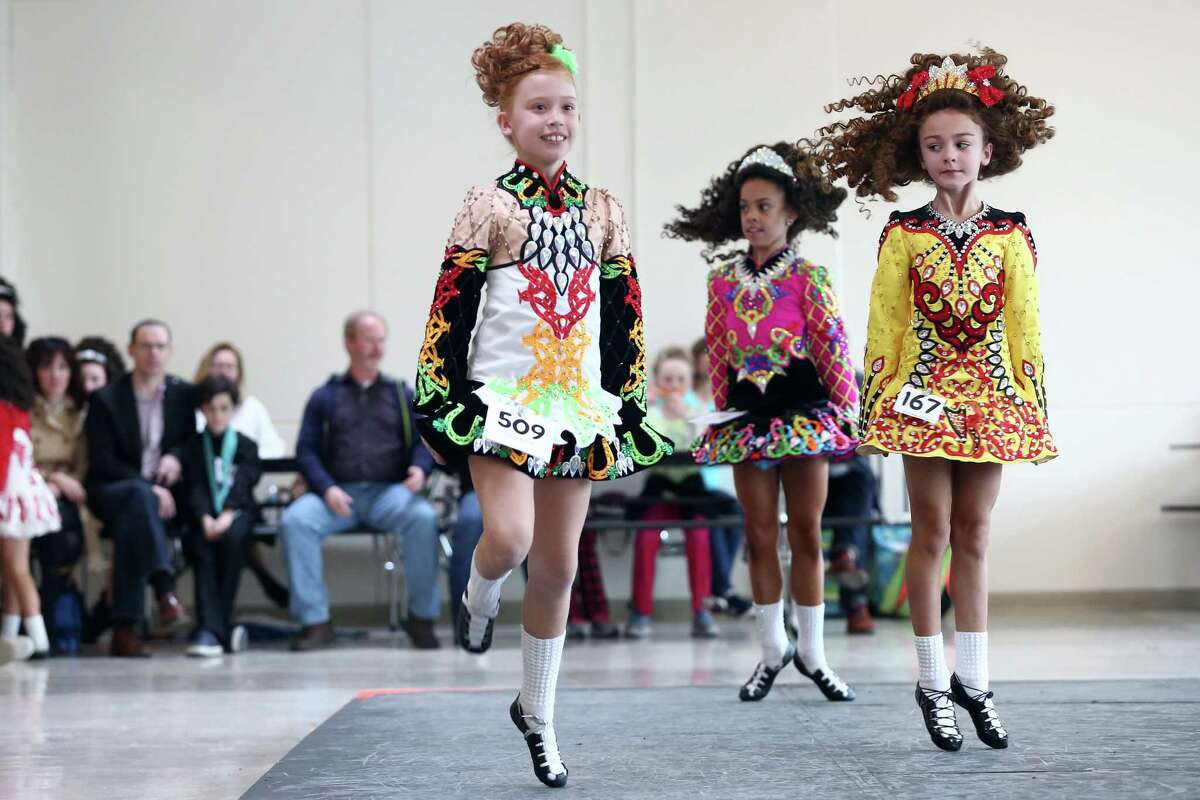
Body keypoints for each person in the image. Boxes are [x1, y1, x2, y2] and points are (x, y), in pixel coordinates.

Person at [414, 22, 671, 788]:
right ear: (505, 120)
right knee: (511, 536)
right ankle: (478, 591)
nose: (554, 120)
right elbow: (450, 307)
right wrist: (441, 394)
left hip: (576, 404)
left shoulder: (604, 210)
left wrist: (624, 398)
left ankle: (538, 711)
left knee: (558, 568)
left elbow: (625, 314)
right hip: (500, 400)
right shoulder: (487, 204)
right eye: (536, 108)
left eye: (566, 107)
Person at [814, 47, 1057, 750]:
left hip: (990, 401)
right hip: (922, 401)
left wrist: (1031, 399)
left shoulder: (1012, 231)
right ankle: (929, 680)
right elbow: (884, 321)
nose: (949, 155)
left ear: (988, 149)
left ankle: (974, 681)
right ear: (917, 156)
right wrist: (881, 402)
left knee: (976, 535)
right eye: (934, 145)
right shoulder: (904, 232)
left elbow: (1025, 322)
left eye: (961, 143)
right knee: (932, 533)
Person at [665, 142, 857, 703]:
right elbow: (720, 355)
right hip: (746, 422)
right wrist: (720, 414)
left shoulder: (809, 277)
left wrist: (847, 411)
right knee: (756, 537)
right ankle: (773, 650)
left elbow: (831, 348)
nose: (753, 217)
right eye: (746, 207)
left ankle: (815, 654)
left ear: (791, 211)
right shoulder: (721, 280)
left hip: (803, 420)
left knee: (805, 534)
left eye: (765, 206)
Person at [282, 311, 440, 651]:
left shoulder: (401, 394)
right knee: (295, 520)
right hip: (337, 496)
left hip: (390, 494)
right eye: (369, 340)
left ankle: (421, 617)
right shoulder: (325, 396)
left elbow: (424, 442)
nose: (377, 348)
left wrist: (419, 469)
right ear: (349, 343)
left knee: (423, 518)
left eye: (381, 340)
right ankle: (315, 620)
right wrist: (326, 488)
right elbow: (306, 451)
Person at [85, 320, 193, 657]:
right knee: (137, 499)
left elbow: (192, 443)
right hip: (112, 489)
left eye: (160, 346)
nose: (153, 353)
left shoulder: (183, 395)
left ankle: (124, 629)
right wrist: (148, 487)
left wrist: (176, 457)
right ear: (131, 350)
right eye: (146, 346)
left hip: (160, 496)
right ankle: (164, 588)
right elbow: (103, 462)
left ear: (170, 352)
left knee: (133, 521)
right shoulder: (107, 398)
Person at [625, 347, 717, 639]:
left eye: (680, 379)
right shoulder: (649, 411)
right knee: (646, 537)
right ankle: (640, 613)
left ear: (689, 382)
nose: (674, 385)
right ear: (657, 379)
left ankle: (701, 611)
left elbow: (707, 443)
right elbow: (637, 448)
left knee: (700, 536)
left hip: (691, 489)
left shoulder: (700, 409)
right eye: (668, 378)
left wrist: (688, 417)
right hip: (659, 489)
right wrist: (641, 410)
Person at [193, 342, 288, 609]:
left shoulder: (251, 408)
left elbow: (273, 447)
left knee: (236, 532)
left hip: (240, 497)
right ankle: (261, 578)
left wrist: (243, 460)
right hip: (202, 501)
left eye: (230, 367)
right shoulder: (196, 408)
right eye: (217, 365)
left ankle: (218, 620)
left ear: (239, 373)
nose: (223, 371)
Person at [181, 375, 261, 657]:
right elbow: (195, 486)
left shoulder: (246, 446)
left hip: (237, 515)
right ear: (203, 410)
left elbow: (244, 483)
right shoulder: (193, 445)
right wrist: (205, 518)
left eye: (223, 408)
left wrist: (226, 515)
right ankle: (216, 630)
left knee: (233, 541)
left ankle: (212, 629)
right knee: (201, 548)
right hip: (203, 518)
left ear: (233, 409)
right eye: (211, 409)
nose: (217, 415)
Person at [0, 338, 61, 660]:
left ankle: (39, 638)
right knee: (14, 569)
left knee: (16, 569)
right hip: (24, 496)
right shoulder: (18, 409)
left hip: (9, 497)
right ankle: (10, 634)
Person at [27, 337, 89, 653]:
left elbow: (83, 466)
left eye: (63, 367)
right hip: (26, 490)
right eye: (47, 367)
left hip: (68, 497)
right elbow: (18, 459)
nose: (55, 375)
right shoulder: (22, 410)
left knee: (63, 533)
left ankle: (57, 618)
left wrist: (65, 481)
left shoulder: (79, 414)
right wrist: (49, 478)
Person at [690, 337, 750, 619]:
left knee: (733, 514)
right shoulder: (686, 396)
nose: (708, 358)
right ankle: (724, 589)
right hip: (696, 478)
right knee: (716, 515)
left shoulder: (729, 395)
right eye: (703, 352)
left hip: (722, 476)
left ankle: (722, 590)